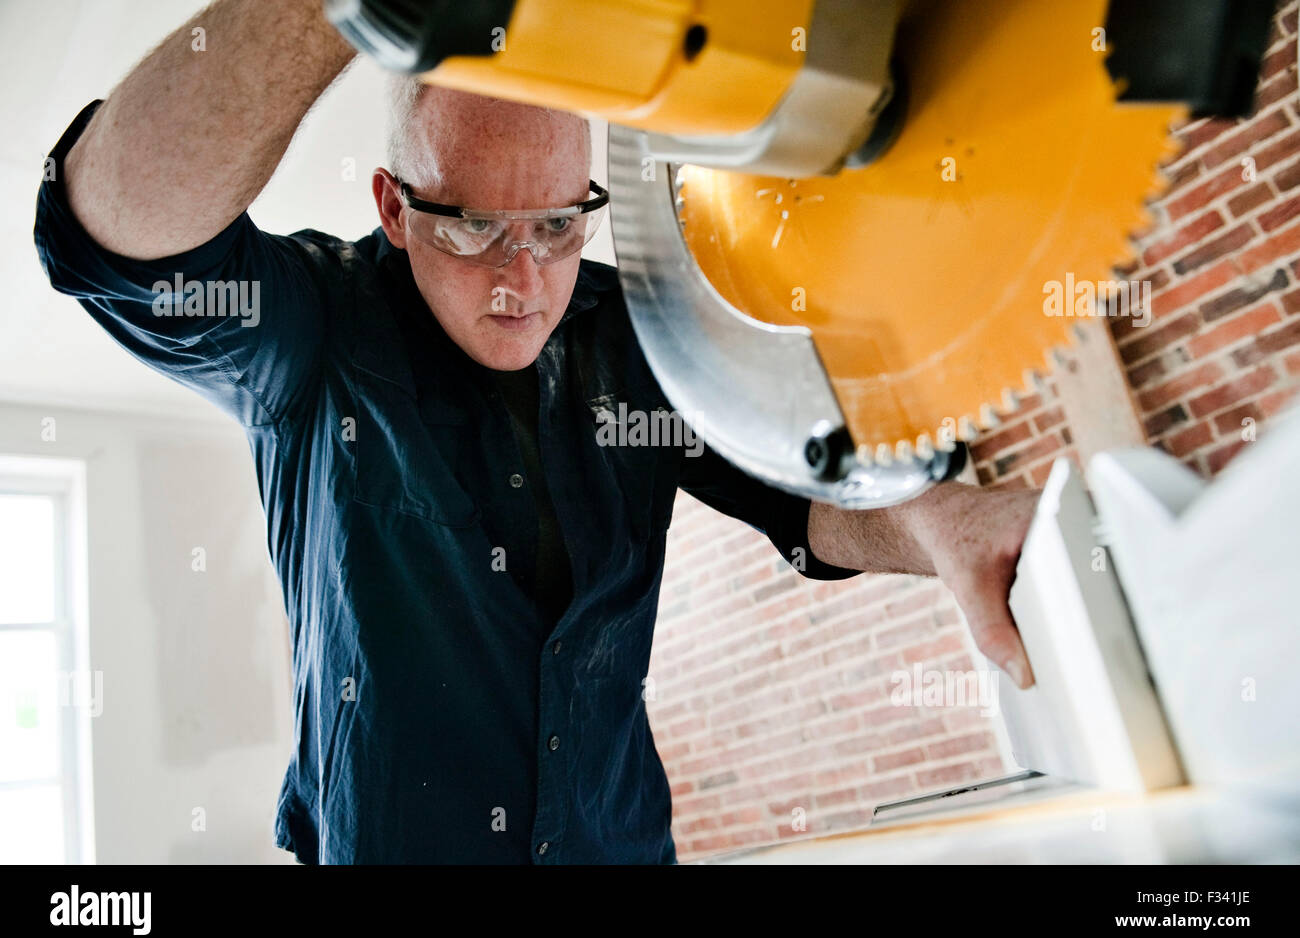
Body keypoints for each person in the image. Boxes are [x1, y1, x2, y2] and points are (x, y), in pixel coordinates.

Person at [34, 0, 1038, 864]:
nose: (523, 280)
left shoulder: (632, 335)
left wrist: (939, 518)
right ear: (392, 205)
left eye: (558, 224)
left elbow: (803, 498)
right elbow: (116, 235)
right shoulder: (320, 335)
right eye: (471, 226)